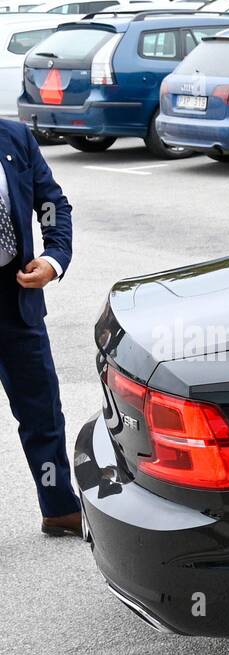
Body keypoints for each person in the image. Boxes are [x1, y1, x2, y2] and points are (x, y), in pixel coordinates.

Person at [0, 118, 77, 536]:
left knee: (42, 412)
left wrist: (53, 258)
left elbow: (51, 202)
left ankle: (59, 506)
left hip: (14, 298)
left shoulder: (14, 137)